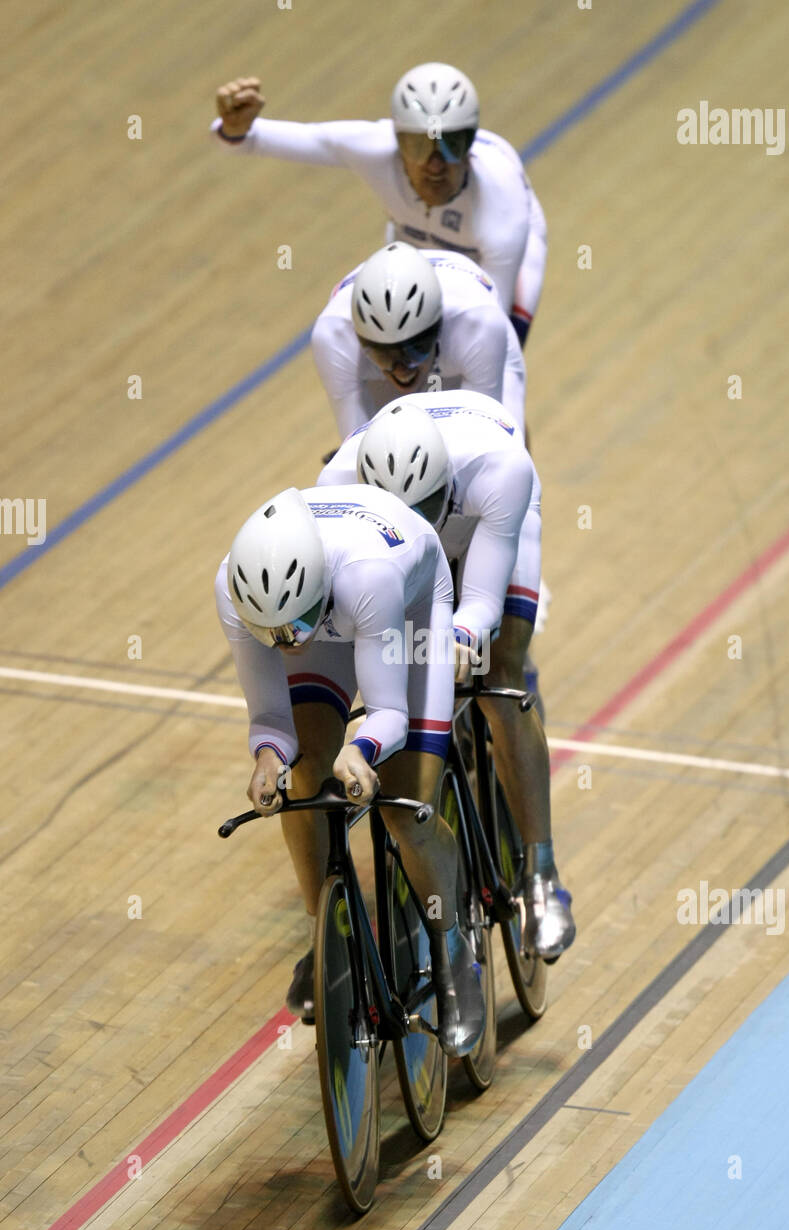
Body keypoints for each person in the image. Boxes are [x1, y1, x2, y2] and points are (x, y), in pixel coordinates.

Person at [215, 484, 485, 1054]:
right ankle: (327, 938)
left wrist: (361, 750)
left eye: (292, 626)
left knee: (405, 810)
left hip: (405, 610)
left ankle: (452, 947)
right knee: (305, 779)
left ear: (316, 587)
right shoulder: (236, 593)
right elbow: (271, 715)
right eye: (270, 633)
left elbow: (389, 711)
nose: (282, 644)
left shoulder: (368, 577)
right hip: (331, 614)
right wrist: (269, 759)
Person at [318, 393, 575, 960]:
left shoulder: (500, 472)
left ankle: (541, 872)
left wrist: (461, 638)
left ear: (446, 487)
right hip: (397, 563)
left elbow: (480, 602)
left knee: (500, 676)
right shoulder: (336, 481)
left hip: (488, 525)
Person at [210, 62, 547, 346]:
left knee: (489, 370)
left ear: (470, 144)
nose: (434, 164)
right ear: (396, 141)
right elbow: (249, 142)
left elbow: (490, 327)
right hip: (413, 244)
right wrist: (235, 128)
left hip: (494, 262)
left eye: (451, 146)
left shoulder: (502, 201)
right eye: (419, 147)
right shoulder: (373, 148)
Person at [312, 241, 526, 438]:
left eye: (415, 350)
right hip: (424, 360)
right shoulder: (334, 338)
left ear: (438, 327)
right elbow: (355, 439)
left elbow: (487, 439)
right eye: (383, 356)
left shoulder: (478, 326)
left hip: (469, 349)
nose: (400, 370)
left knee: (509, 446)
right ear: (361, 340)